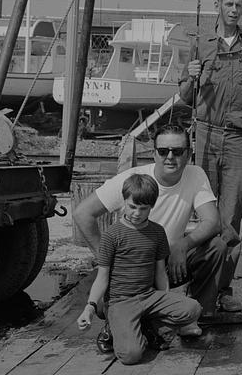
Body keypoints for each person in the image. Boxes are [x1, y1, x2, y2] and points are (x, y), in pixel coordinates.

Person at [74, 123, 233, 352]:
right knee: (106, 309)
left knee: (216, 246)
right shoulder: (133, 179)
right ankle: (118, 324)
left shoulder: (196, 174)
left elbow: (212, 222)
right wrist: (107, 261)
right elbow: (82, 213)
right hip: (131, 270)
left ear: (188, 153)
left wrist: (182, 245)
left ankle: (192, 319)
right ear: (154, 153)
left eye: (178, 151)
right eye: (163, 151)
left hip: (168, 262)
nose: (170, 157)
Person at [179, 0, 242, 313]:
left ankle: (224, 290)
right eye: (228, 4)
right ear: (218, 5)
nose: (233, 9)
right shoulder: (200, 44)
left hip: (238, 140)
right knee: (205, 215)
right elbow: (185, 97)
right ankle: (197, 284)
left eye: (239, 5)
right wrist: (190, 78)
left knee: (231, 218)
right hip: (205, 134)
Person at [77, 173, 203, 365]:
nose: (136, 213)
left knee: (192, 308)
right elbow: (102, 277)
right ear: (124, 202)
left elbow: (160, 272)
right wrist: (90, 307)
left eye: (143, 208)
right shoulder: (112, 235)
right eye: (132, 207)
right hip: (121, 301)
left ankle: (149, 326)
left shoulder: (157, 232)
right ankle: (115, 327)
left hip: (148, 296)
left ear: (151, 207)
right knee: (131, 356)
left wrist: (164, 301)